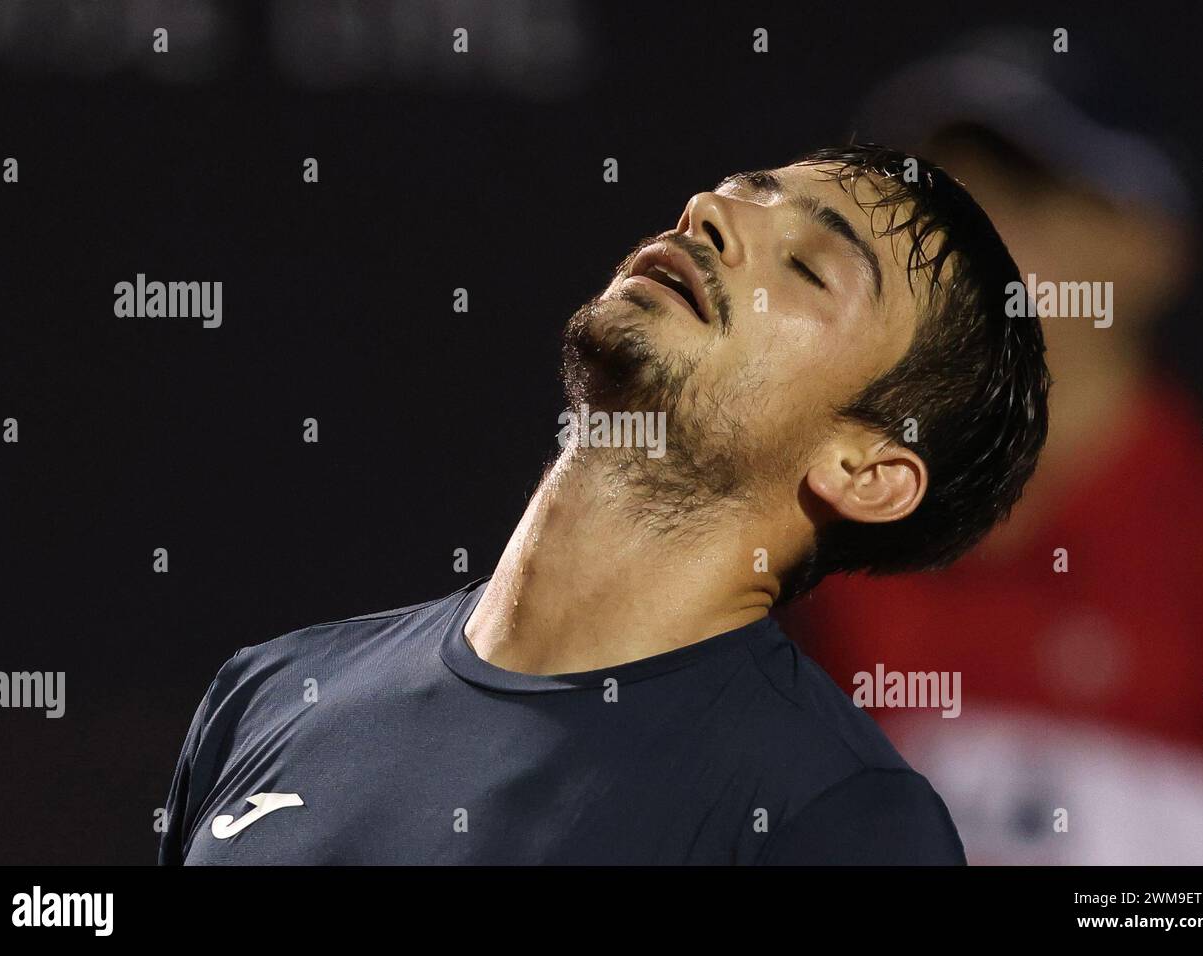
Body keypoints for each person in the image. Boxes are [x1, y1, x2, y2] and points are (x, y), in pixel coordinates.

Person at [159, 144, 1049, 865]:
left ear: (866, 470)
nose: (712, 212)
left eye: (810, 267)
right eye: (741, 193)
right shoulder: (271, 694)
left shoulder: (839, 819)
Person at [781, 34, 1203, 864]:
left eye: (1025, 198)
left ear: (1148, 246)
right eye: (936, 208)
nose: (970, 242)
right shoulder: (825, 530)